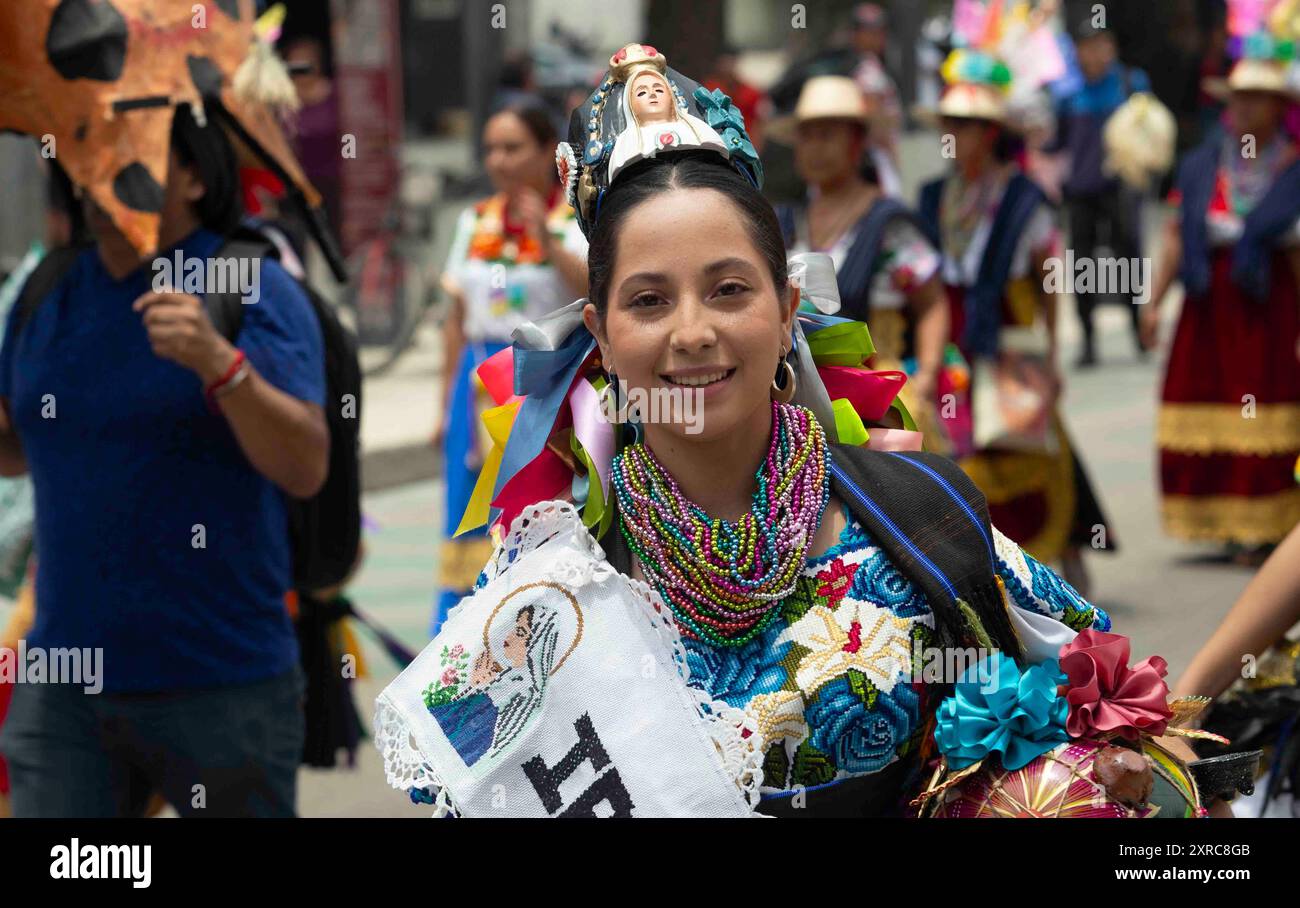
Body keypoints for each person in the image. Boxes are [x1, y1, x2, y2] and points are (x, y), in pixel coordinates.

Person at [453, 44, 1134, 816]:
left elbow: (1111, 709)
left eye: (729, 289)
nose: (693, 332)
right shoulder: (555, 587)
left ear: (786, 311)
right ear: (599, 335)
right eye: (647, 301)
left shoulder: (915, 517)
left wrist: (1069, 783)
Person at [0, 104, 326, 818]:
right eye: (87, 143)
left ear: (192, 178)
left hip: (224, 683)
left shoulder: (248, 283)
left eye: (132, 148)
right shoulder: (47, 290)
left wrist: (222, 367)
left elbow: (306, 464)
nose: (102, 164)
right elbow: (21, 449)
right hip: (65, 688)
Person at [918, 49, 1116, 597]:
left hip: (1009, 339)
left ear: (992, 132)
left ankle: (1052, 560)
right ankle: (988, 569)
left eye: (969, 125)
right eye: (950, 124)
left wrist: (1050, 357)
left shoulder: (1025, 199)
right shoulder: (934, 196)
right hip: (953, 340)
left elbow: (1049, 281)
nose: (956, 135)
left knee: (1026, 445)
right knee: (962, 454)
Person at [1140, 36, 1300, 566]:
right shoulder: (1201, 165)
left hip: (1270, 309)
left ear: (1281, 107)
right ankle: (1222, 519)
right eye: (1238, 97)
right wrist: (1154, 301)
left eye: (1258, 97)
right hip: (1208, 309)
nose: (1245, 107)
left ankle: (1269, 526)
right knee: (1208, 406)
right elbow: (1172, 237)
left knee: (1264, 409)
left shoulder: (1294, 170)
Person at [432, 103, 588, 635]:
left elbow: (594, 292)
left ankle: (534, 632)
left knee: (537, 509)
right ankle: (459, 635)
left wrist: (545, 236)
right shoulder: (474, 220)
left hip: (544, 385)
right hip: (475, 387)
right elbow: (455, 321)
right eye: (491, 149)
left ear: (548, 151)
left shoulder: (576, 219)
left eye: (513, 147)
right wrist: (442, 408)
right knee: (466, 512)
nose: (499, 160)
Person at [772, 76, 952, 452]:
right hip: (797, 396)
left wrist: (928, 378)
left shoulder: (887, 223)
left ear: (856, 144)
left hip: (876, 398)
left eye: (827, 136)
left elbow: (932, 301)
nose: (814, 148)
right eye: (807, 136)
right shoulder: (787, 221)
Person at [1044, 23, 1152, 367]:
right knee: (1083, 265)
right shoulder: (1066, 92)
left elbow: (1151, 131)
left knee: (1129, 259)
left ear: (1112, 47)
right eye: (1086, 46)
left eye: (1100, 45)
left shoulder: (1130, 84)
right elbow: (1058, 141)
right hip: (1081, 191)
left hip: (1122, 188)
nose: (1093, 54)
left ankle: (1139, 331)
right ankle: (1088, 340)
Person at [848, 3, 904, 198]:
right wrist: (894, 157)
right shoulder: (869, 72)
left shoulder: (870, 68)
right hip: (878, 158)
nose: (879, 37)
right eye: (870, 31)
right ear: (857, 35)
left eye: (880, 31)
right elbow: (876, 125)